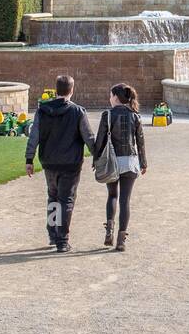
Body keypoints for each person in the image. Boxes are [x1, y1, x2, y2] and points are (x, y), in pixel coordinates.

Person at [24, 75, 95, 252]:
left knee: (53, 198)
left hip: (49, 162)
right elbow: (89, 137)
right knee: (67, 200)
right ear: (72, 90)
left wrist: (29, 159)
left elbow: (34, 137)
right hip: (70, 164)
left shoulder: (43, 110)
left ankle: (52, 234)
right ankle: (62, 240)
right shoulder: (78, 112)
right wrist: (98, 156)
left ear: (56, 90)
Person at [92, 83, 147, 251]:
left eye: (110, 96)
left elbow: (100, 140)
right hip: (130, 162)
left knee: (112, 196)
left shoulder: (107, 115)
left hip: (112, 161)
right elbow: (140, 142)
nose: (109, 99)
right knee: (125, 200)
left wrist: (96, 160)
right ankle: (121, 240)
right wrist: (143, 163)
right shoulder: (135, 116)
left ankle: (109, 231)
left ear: (116, 97)